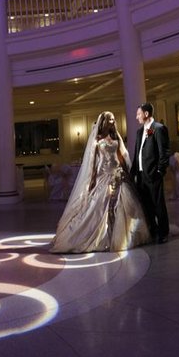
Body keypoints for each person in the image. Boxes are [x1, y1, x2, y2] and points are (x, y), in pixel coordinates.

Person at [51, 111, 151, 253]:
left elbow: (121, 156)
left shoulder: (116, 137)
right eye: (110, 119)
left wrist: (126, 172)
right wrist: (91, 180)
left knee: (124, 204)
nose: (112, 122)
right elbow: (93, 162)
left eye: (113, 119)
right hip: (103, 175)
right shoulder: (97, 139)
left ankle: (123, 236)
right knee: (99, 207)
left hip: (118, 173)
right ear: (103, 121)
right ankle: (103, 237)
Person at [130, 103, 171, 245]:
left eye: (138, 114)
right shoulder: (139, 131)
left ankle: (163, 233)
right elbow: (137, 154)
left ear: (146, 114)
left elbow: (164, 152)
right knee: (146, 206)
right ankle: (153, 231)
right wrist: (133, 173)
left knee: (158, 205)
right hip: (141, 176)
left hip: (154, 174)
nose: (136, 117)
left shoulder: (159, 129)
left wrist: (160, 171)